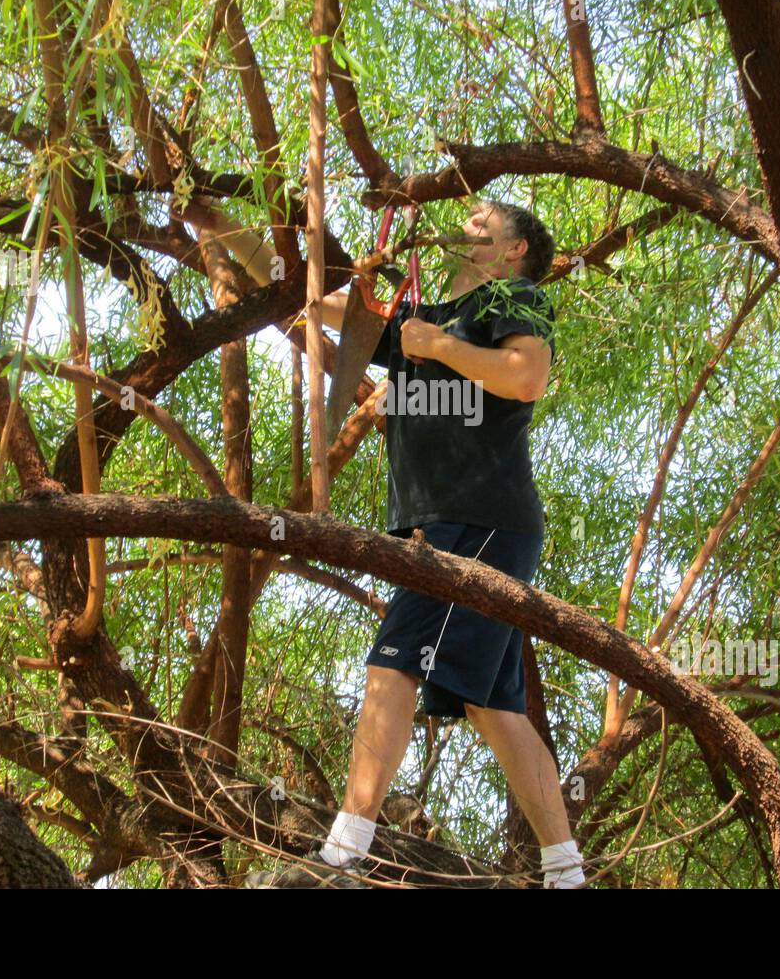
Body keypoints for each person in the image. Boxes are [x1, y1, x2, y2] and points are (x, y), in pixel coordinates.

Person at [249, 199, 585, 889]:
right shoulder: (418, 316)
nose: (465, 221)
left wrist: (439, 348)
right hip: (460, 525)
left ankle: (346, 848)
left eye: (482, 218)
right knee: (495, 707)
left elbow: (527, 375)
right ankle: (566, 871)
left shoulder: (512, 296)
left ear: (515, 248)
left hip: (481, 518)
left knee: (393, 662)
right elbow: (322, 304)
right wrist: (233, 236)